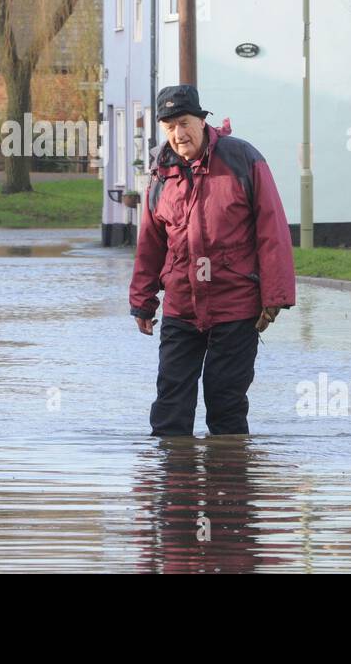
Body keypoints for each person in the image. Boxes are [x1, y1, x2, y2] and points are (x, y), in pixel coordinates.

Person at [130, 85, 296, 437]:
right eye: (170, 126)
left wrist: (274, 298)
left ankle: (231, 486)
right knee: (169, 410)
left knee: (225, 407)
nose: (179, 134)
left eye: (185, 123)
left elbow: (273, 231)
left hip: (235, 307)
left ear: (203, 122)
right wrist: (143, 302)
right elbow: (150, 242)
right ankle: (174, 489)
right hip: (181, 306)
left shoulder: (243, 160)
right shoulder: (161, 172)